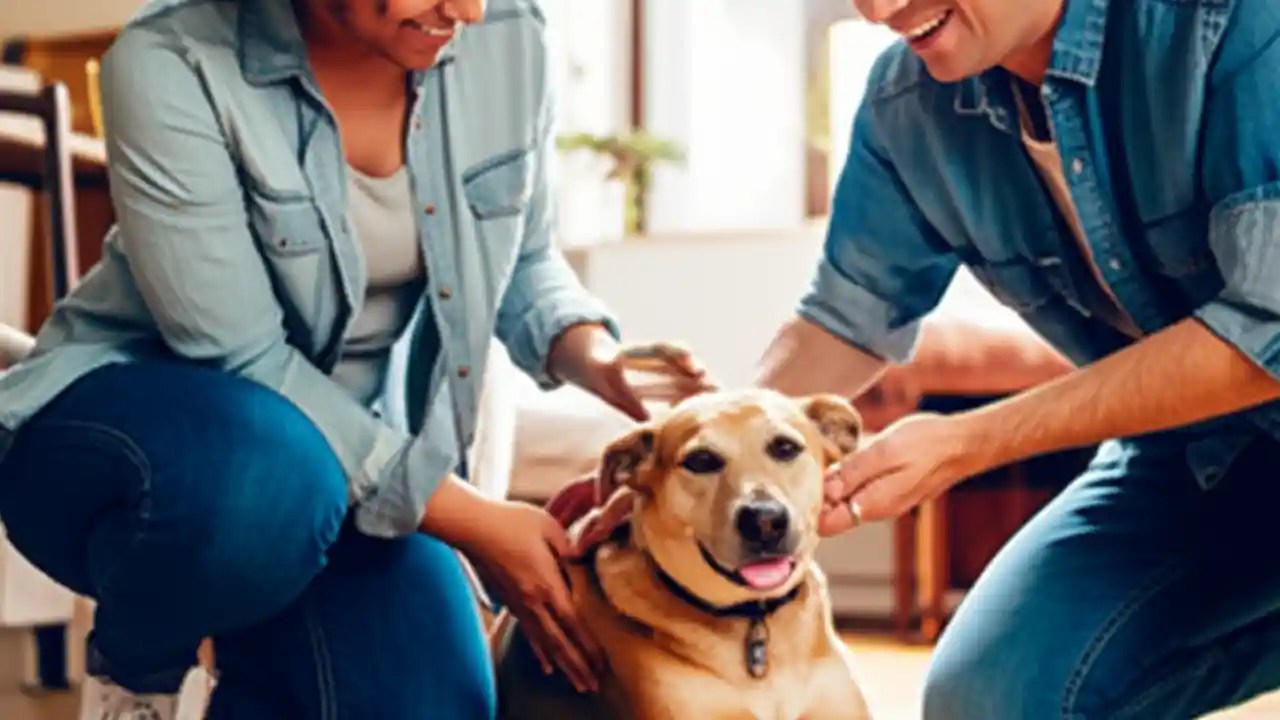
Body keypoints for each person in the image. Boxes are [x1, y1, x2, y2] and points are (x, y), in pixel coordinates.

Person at [559, 0, 1280, 717]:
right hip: (1191, 460)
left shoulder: (1239, 25)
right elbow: (847, 320)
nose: (881, 8)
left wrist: (969, 441)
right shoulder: (910, 105)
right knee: (988, 701)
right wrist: (695, 465)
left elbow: (1266, 327)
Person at [0, 0, 712, 718]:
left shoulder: (506, 34)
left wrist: (590, 349)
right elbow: (239, 357)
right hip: (133, 448)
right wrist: (478, 522)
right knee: (270, 480)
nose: (465, 10)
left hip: (348, 474)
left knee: (431, 698)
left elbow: (523, 255)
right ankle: (136, 673)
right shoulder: (172, 60)